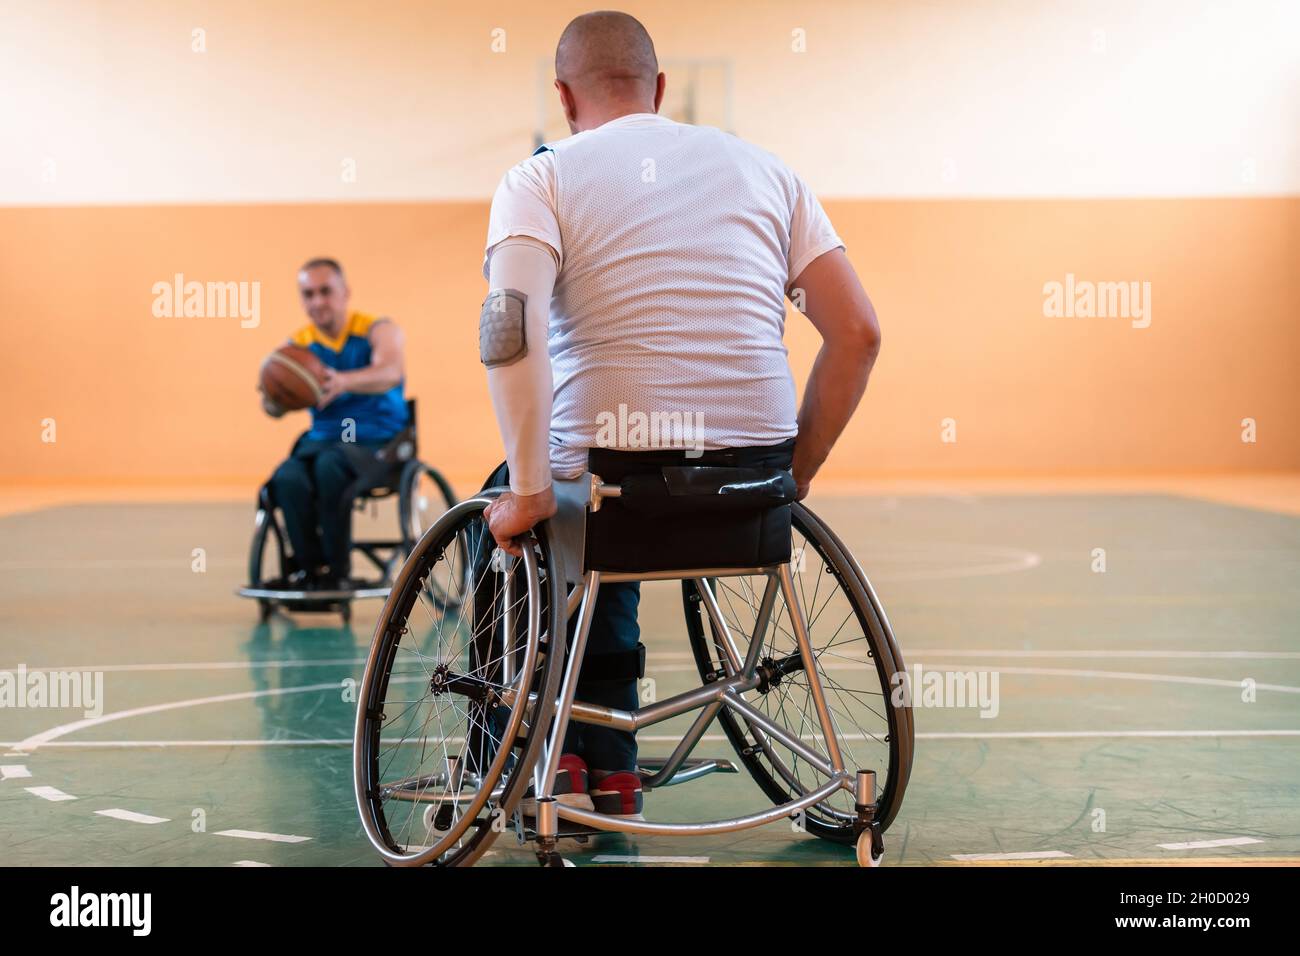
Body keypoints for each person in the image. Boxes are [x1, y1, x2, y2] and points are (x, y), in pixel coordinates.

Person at [478, 11, 881, 818]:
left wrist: (524, 488)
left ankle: (531, 763)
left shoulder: (543, 178)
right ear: (661, 90)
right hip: (750, 495)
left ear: (563, 97)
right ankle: (613, 766)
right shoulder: (769, 173)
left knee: (536, 507)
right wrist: (792, 475)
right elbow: (859, 333)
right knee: (602, 507)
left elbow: (509, 332)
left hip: (612, 488)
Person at [259, 257, 410, 591]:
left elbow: (390, 372)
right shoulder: (296, 346)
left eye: (325, 291)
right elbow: (274, 410)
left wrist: (343, 381)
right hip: (323, 440)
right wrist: (273, 395)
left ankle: (337, 573)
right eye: (308, 294)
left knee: (330, 467)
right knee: (286, 478)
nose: (317, 302)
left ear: (345, 292)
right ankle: (311, 571)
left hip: (378, 441)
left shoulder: (377, 329)